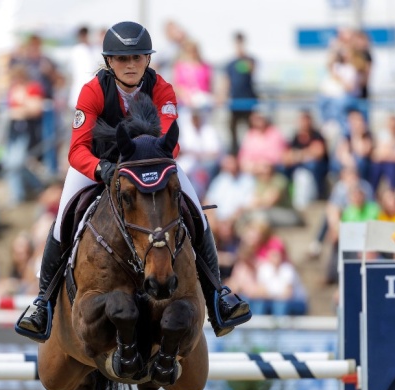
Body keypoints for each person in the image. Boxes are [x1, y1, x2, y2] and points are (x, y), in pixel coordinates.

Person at [16, 20, 250, 342]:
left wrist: (142, 164)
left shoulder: (162, 89)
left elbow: (172, 141)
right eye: (123, 59)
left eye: (137, 58)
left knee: (196, 211)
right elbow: (76, 150)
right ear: (110, 61)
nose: (130, 65)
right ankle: (43, 303)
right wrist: (103, 170)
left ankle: (217, 298)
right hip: (98, 165)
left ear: (147, 60)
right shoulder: (93, 91)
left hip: (149, 166)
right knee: (62, 220)